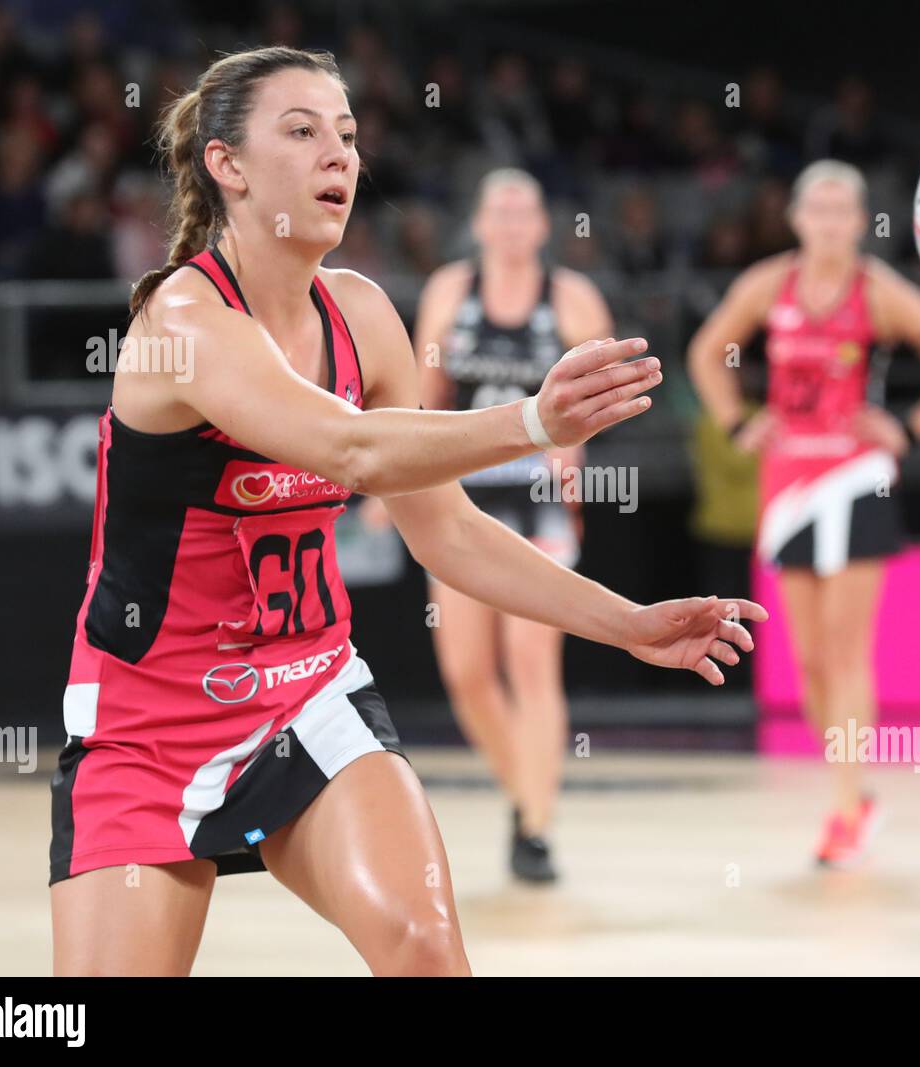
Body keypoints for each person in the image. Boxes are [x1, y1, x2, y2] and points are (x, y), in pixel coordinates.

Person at [49, 46, 765, 977]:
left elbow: (452, 532)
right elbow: (353, 447)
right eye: (302, 132)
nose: (339, 156)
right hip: (146, 725)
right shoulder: (184, 321)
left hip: (308, 695)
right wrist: (533, 422)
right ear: (225, 164)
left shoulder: (364, 314)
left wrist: (626, 622)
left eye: (346, 135)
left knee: (426, 948)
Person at [688, 159, 920, 868]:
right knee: (810, 659)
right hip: (789, 485)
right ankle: (854, 793)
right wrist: (736, 421)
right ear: (795, 218)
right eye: (815, 209)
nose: (827, 222)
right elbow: (705, 351)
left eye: (840, 210)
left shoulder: (877, 292)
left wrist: (909, 430)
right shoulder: (770, 284)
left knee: (849, 651)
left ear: (859, 221)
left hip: (857, 480)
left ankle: (846, 809)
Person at [406, 167, 610, 882]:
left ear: (544, 226)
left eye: (527, 210)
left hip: (539, 498)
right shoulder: (449, 291)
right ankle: (523, 794)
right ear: (482, 223)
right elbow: (423, 393)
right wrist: (398, 477)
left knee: (530, 663)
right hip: (459, 497)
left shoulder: (573, 299)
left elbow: (603, 392)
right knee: (465, 672)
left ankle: (537, 825)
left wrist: (573, 449)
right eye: (502, 209)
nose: (515, 222)